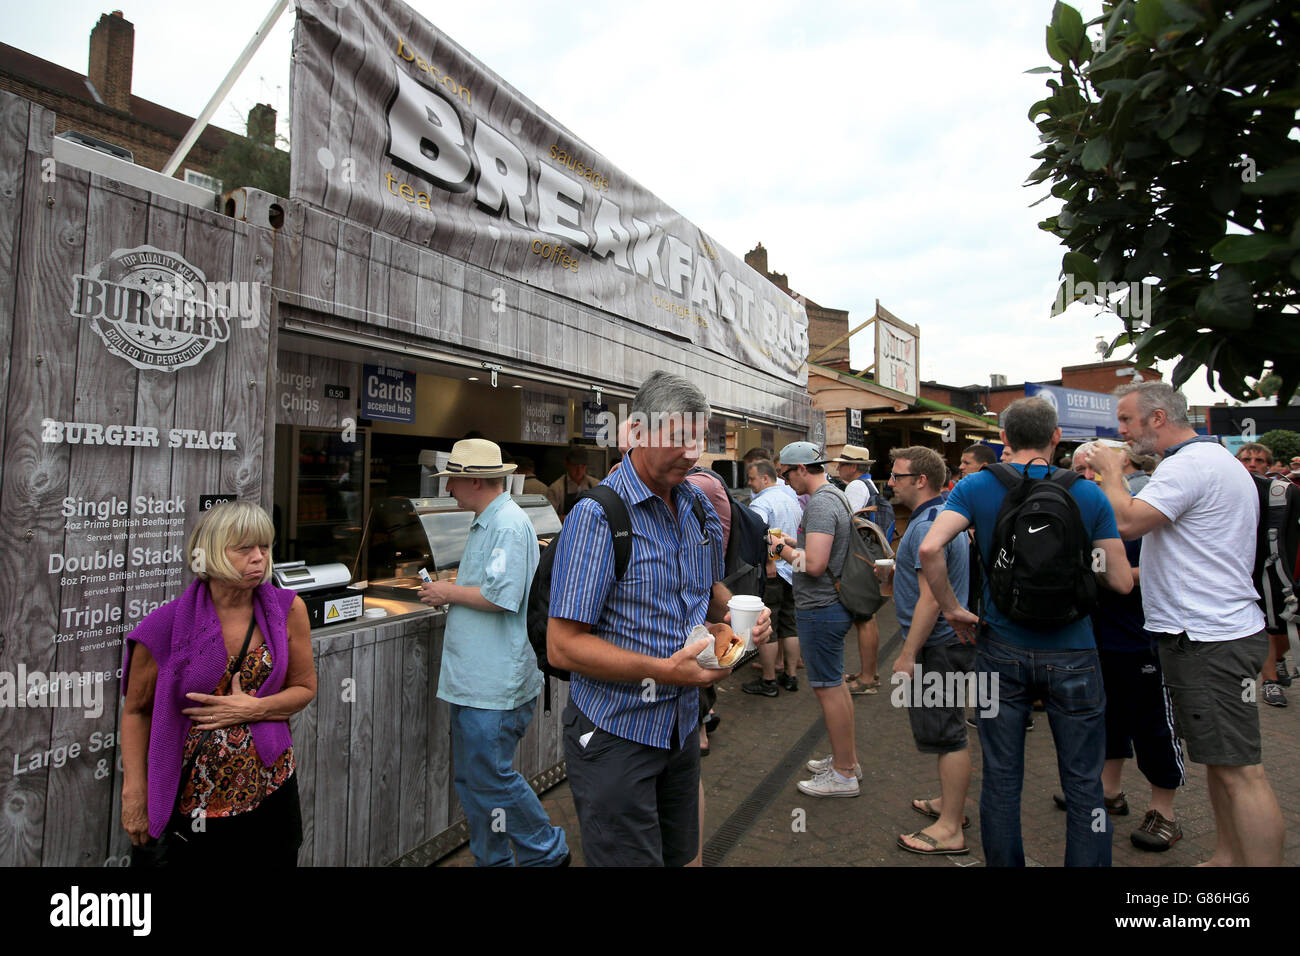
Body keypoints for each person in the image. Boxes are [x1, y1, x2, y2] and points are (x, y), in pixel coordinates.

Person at [546, 371, 770, 866]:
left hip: (680, 727)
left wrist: (731, 621)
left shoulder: (695, 505)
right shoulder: (598, 516)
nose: (693, 453)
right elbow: (562, 647)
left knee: (683, 856)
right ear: (638, 432)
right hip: (616, 736)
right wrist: (665, 670)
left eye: (700, 438)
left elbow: (703, 593)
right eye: (678, 437)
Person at [919, 396, 1133, 867]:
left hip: (1000, 651)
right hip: (1075, 652)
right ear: (1056, 438)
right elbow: (1118, 580)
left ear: (1003, 440)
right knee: (1083, 783)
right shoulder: (1087, 493)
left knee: (1001, 776)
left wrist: (953, 610)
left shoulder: (976, 487)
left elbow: (931, 548)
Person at [1087, 381, 1284, 866]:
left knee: (1242, 771)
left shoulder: (1188, 464)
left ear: (1158, 418)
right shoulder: (1209, 462)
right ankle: (1228, 856)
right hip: (1208, 633)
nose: (1122, 430)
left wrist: (1111, 472)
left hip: (1208, 637)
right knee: (1222, 764)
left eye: (1128, 420)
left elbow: (1129, 521)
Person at [120, 501, 316, 866]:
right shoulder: (165, 625)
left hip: (271, 786)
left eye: (265, 547)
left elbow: (304, 688)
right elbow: (136, 710)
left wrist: (256, 708)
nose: (259, 558)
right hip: (193, 798)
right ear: (208, 553)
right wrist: (134, 792)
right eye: (244, 548)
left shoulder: (289, 609)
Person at [418, 438, 569, 867]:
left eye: (453, 481)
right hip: (476, 681)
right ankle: (493, 858)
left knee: (490, 778)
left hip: (494, 682)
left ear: (478, 481)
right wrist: (455, 588)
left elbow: (501, 596)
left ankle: (547, 849)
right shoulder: (491, 519)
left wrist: (446, 590)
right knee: (473, 779)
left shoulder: (504, 523)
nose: (448, 489)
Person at [1056, 443, 1185, 851]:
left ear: (1122, 463)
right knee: (1105, 717)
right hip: (1096, 635)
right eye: (1076, 469)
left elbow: (1160, 569)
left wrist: (1108, 574)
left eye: (1089, 468)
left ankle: (1164, 812)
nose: (1082, 476)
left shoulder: (1144, 507)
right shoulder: (1082, 507)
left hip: (1141, 635)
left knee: (1152, 724)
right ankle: (1109, 793)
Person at [885, 446, 973, 855]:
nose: (890, 482)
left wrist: (906, 655)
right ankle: (949, 804)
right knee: (947, 729)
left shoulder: (924, 528)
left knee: (947, 735)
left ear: (920, 480)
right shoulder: (943, 516)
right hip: (949, 645)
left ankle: (951, 827)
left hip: (938, 646)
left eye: (897, 476)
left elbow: (930, 600)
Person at [773, 441, 861, 797]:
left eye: (785, 473)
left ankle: (843, 775)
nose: (785, 480)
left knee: (828, 689)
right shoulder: (835, 495)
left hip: (820, 608)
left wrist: (780, 550)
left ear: (801, 469)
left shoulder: (821, 504)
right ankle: (846, 760)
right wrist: (795, 541)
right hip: (831, 605)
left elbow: (813, 564)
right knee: (835, 685)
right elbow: (820, 547)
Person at [1237, 443, 1298, 707]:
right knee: (1262, 627)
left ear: (1268, 465)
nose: (1252, 464)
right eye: (1247, 459)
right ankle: (1270, 680)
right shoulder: (1226, 491)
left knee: (1284, 626)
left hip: (1275, 566)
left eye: (1259, 460)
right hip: (1240, 569)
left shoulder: (1283, 492)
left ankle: (1279, 659)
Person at [743, 458, 804, 696]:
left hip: (775, 570)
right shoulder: (791, 497)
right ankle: (791, 676)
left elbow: (763, 533)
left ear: (765, 478)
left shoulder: (762, 502)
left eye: (752, 478)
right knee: (791, 623)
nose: (750, 483)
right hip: (795, 565)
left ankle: (768, 681)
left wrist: (769, 561)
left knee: (768, 625)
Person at [546, 448, 599, 519]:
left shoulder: (596, 484)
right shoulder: (556, 488)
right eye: (575, 466)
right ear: (566, 464)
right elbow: (549, 517)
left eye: (582, 466)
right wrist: (573, 518)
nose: (579, 471)